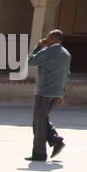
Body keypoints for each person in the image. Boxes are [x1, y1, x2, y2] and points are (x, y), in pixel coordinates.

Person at [25, 29, 71, 162]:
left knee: (38, 123)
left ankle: (39, 154)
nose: (46, 39)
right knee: (42, 119)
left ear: (54, 39)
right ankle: (56, 140)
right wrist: (62, 93)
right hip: (56, 92)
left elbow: (30, 61)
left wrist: (38, 46)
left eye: (48, 37)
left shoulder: (48, 51)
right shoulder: (66, 53)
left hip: (44, 92)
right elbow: (67, 74)